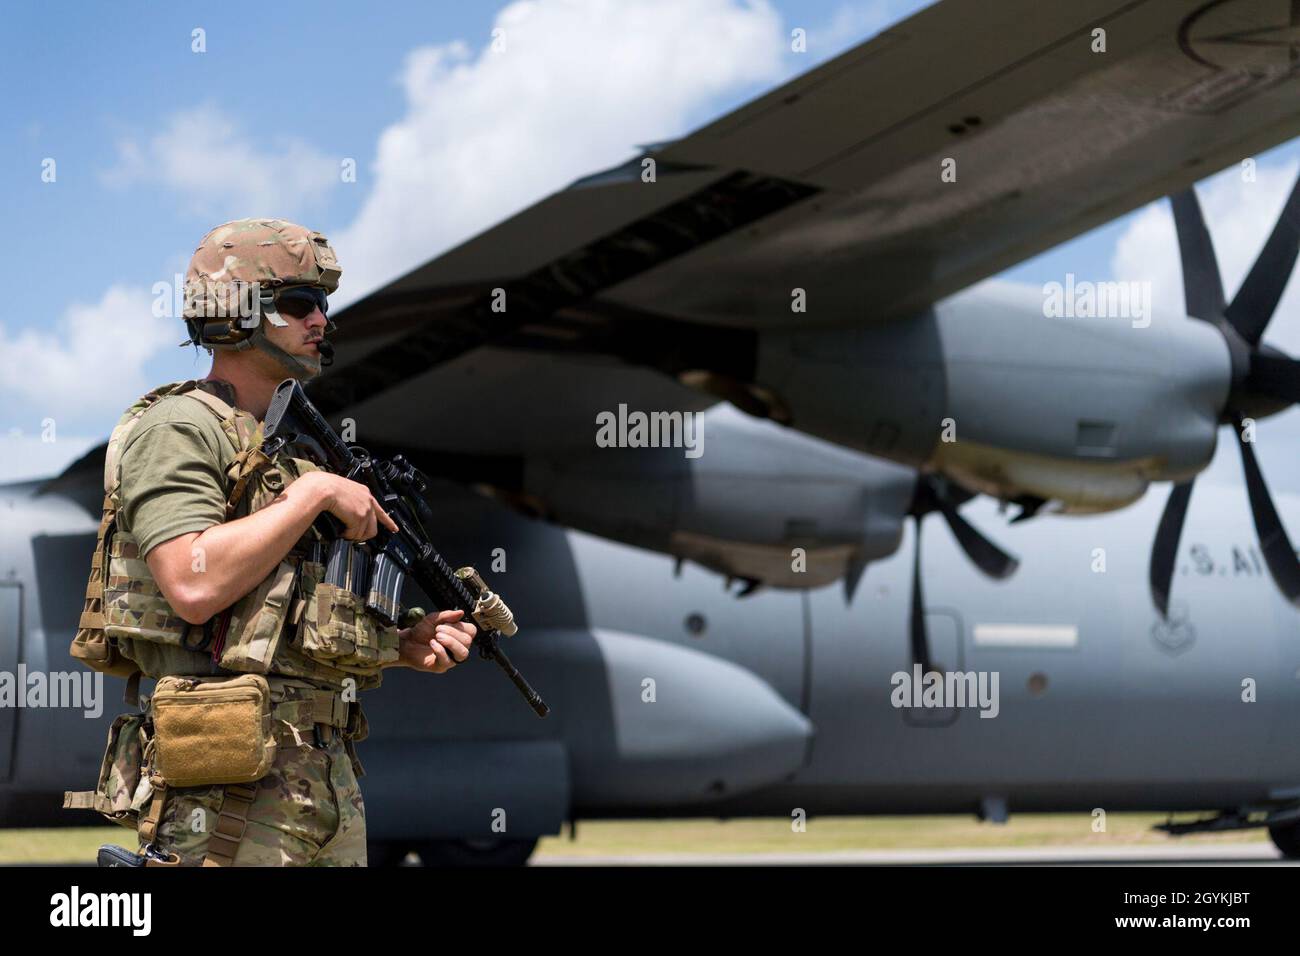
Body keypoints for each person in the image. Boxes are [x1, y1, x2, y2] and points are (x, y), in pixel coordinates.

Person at [64, 218, 476, 866]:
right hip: (229, 792)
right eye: (299, 303)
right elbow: (192, 585)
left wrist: (400, 646)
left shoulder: (290, 455)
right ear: (238, 311)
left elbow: (285, 627)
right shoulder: (179, 427)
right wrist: (314, 497)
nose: (321, 321)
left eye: (323, 305)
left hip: (326, 783)